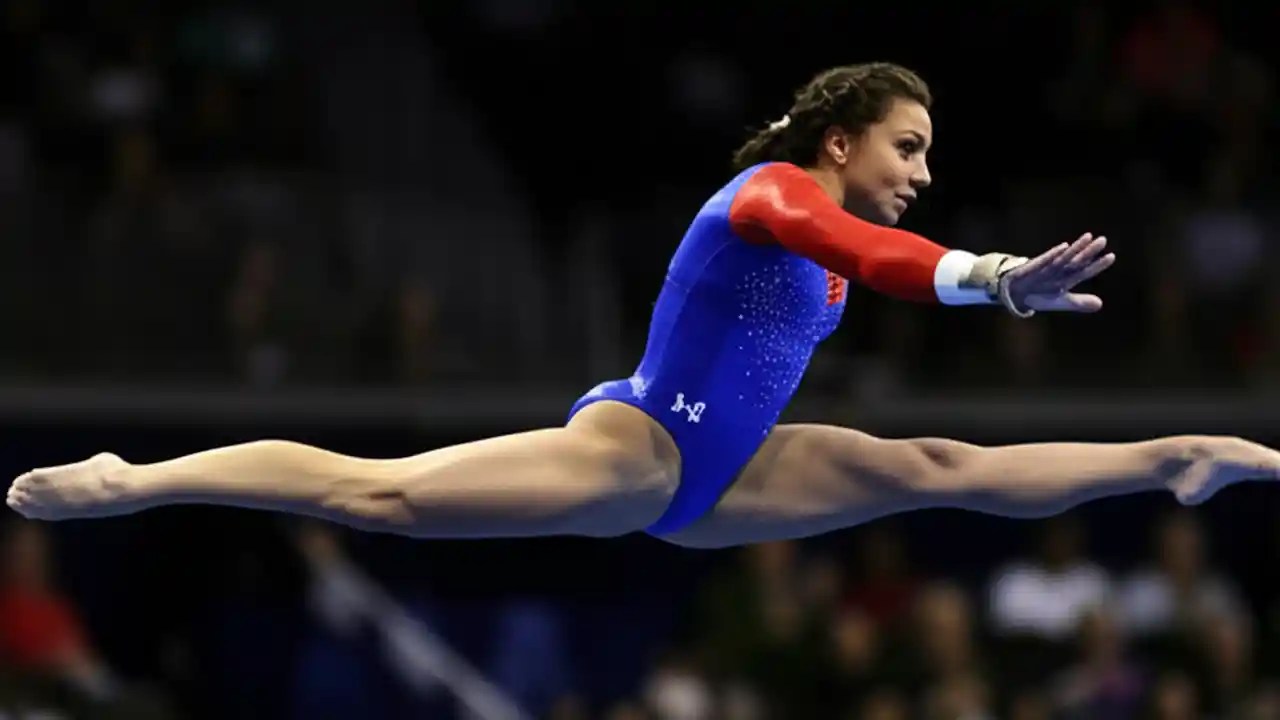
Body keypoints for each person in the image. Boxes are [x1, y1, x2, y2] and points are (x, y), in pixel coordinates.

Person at [7, 63, 1280, 548]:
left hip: (731, 473)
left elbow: (863, 261)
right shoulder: (772, 196)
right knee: (375, 495)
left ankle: (1175, 455)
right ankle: (135, 478)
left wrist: (979, 278)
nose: (921, 172)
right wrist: (995, 277)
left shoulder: (831, 240)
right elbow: (876, 252)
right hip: (645, 450)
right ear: (839, 142)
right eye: (908, 147)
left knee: (936, 465)